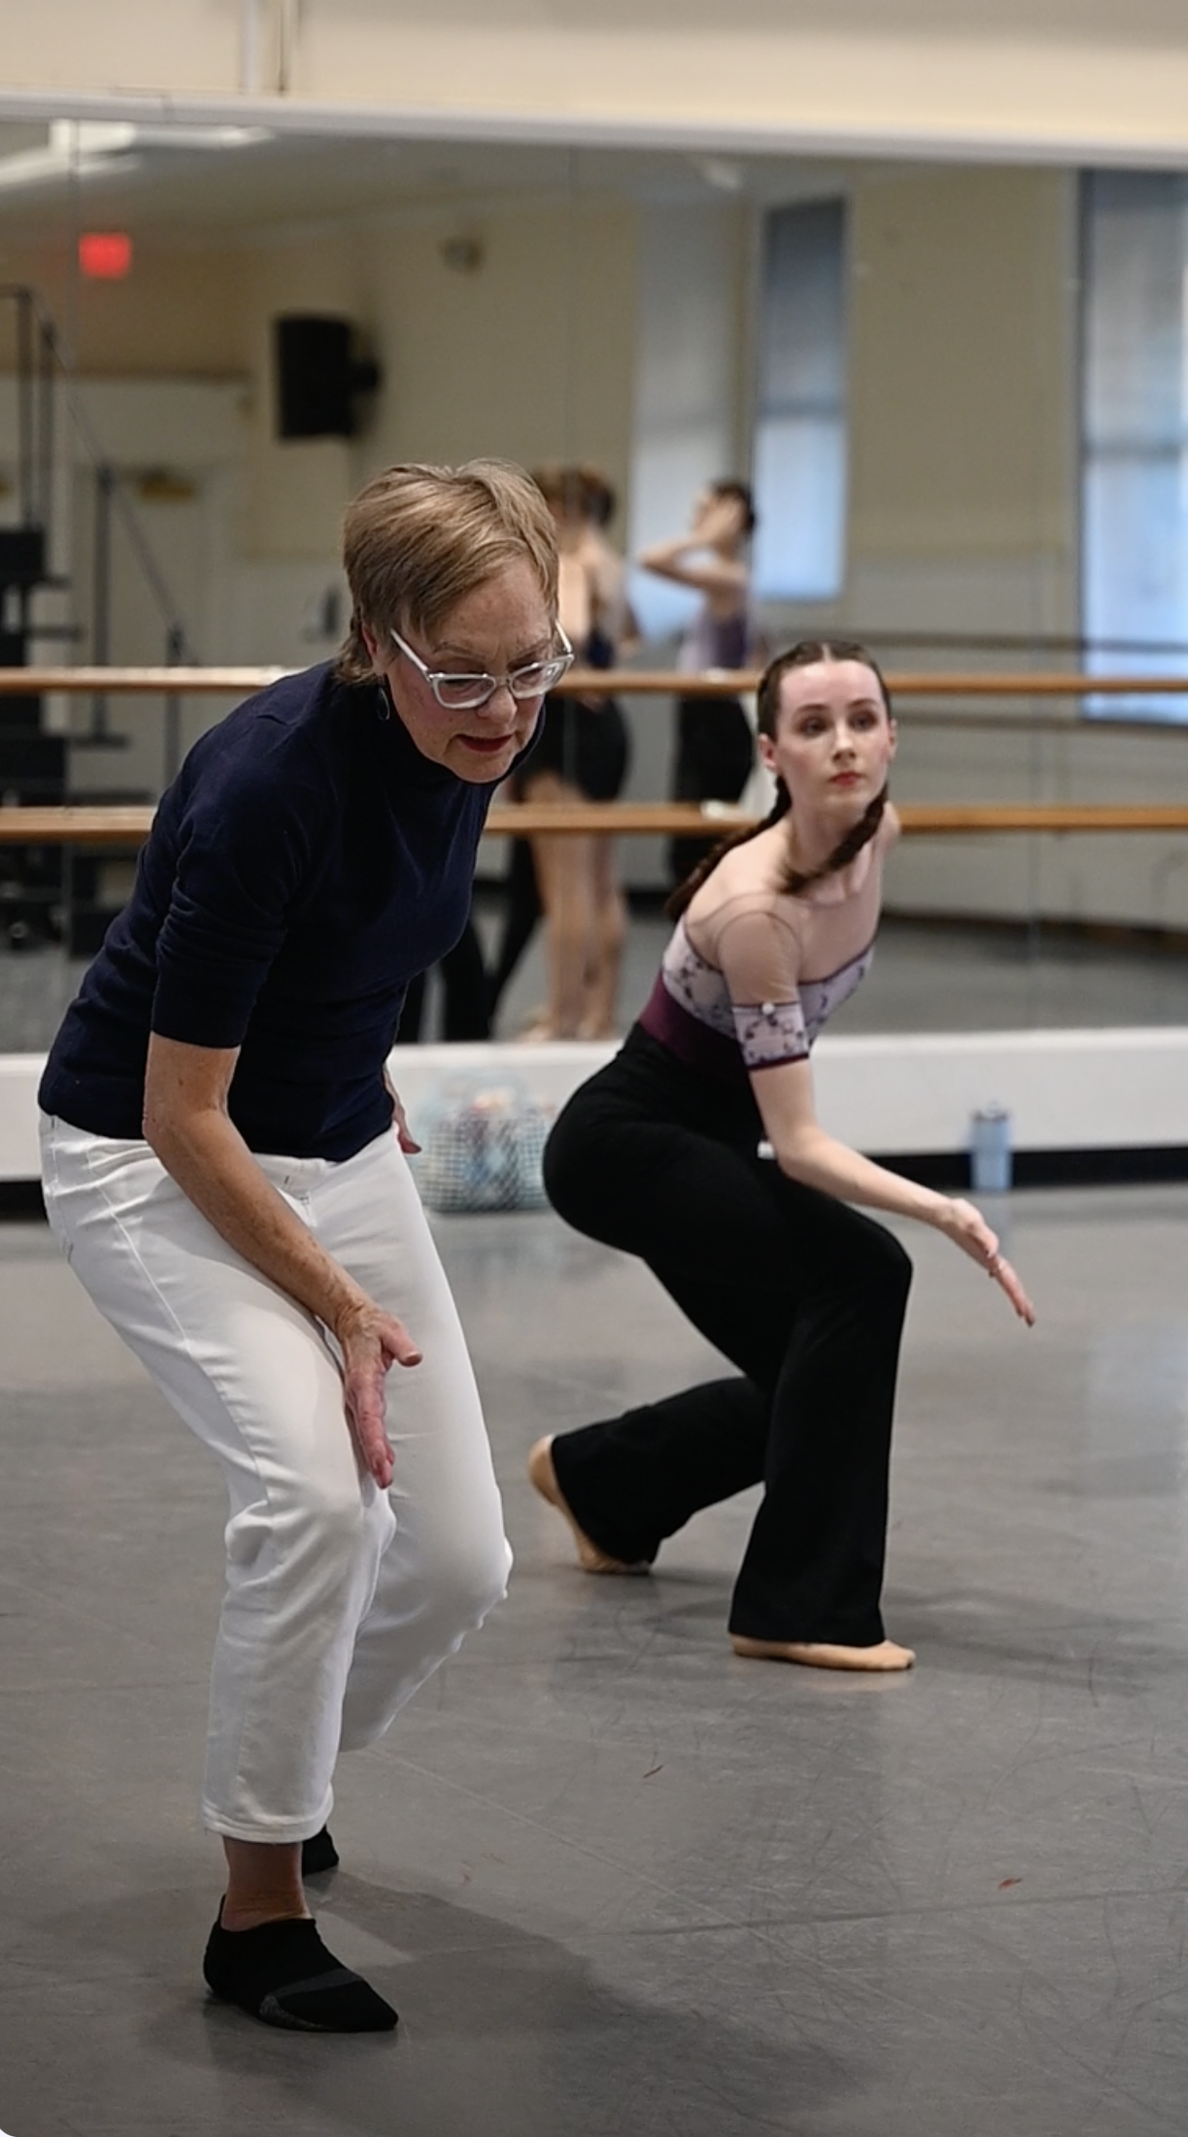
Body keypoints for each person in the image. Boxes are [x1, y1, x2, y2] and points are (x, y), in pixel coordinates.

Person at [36, 461, 570, 2032]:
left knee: (465, 1552)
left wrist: (363, 1069)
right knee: (318, 1500)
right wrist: (337, 1303)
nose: (504, 708)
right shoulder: (268, 775)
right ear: (373, 639)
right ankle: (257, 1907)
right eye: (463, 673)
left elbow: (366, 932)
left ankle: (294, 1763)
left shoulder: (475, 730)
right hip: (149, 1156)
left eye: (532, 662)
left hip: (332, 1133)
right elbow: (180, 1107)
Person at [528, 640, 1034, 1670]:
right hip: (627, 1144)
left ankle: (603, 1486)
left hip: (705, 1134)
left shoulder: (878, 831)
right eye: (813, 726)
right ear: (771, 752)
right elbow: (798, 1146)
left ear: (894, 736)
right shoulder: (756, 910)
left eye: (861, 719)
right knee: (864, 1269)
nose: (843, 743)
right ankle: (798, 1606)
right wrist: (944, 1211)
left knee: (818, 1376)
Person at [490, 464, 640, 1040]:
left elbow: (570, 628)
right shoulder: (612, 561)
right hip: (601, 727)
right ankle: (597, 1011)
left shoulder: (576, 563)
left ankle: (565, 1012)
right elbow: (629, 633)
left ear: (567, 511)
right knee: (601, 880)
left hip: (572, 729)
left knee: (566, 882)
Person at [639, 479, 763, 885]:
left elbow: (650, 559)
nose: (695, 516)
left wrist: (701, 538)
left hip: (716, 724)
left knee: (698, 847)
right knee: (689, 843)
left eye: (705, 508)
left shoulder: (731, 578)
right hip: (703, 721)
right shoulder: (726, 579)